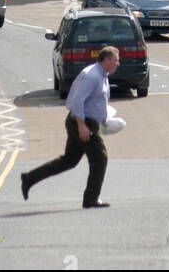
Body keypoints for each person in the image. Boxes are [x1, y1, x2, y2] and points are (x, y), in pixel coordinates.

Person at [21, 46, 120, 208]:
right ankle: (91, 199)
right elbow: (76, 101)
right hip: (81, 122)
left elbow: (96, 101)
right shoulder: (92, 76)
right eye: (116, 60)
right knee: (100, 158)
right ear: (107, 60)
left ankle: (29, 178)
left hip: (86, 121)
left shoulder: (101, 75)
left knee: (69, 160)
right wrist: (81, 125)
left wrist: (104, 119)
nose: (118, 63)